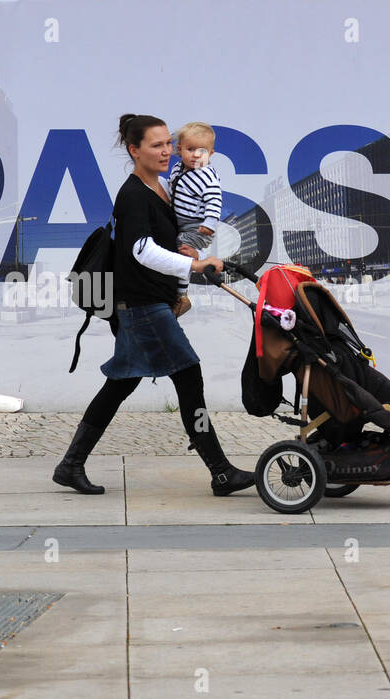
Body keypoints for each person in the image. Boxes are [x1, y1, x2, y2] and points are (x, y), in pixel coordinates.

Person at [52, 113, 255, 497]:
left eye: (168, 143)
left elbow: (177, 237)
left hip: (146, 303)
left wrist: (189, 259)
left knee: (120, 384)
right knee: (188, 375)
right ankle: (221, 471)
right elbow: (141, 250)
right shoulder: (133, 196)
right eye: (156, 145)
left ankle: (70, 464)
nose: (166, 151)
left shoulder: (163, 187)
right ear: (134, 150)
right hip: (142, 306)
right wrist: (194, 265)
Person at [168, 121, 222, 318]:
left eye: (203, 151)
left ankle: (181, 296)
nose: (196, 155)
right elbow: (172, 188)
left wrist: (209, 222)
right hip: (182, 223)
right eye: (190, 149)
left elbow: (214, 200)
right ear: (180, 149)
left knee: (181, 249)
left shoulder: (206, 175)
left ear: (211, 154)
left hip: (197, 228)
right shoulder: (178, 168)